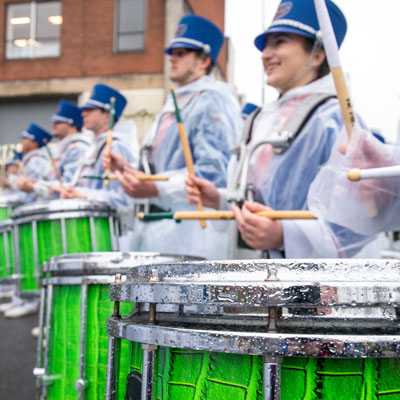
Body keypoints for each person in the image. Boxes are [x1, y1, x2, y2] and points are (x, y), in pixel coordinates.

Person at [186, 0, 373, 259]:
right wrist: (218, 198)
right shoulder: (260, 118)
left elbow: (359, 222)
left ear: (318, 53)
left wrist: (284, 235)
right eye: (265, 45)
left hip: (308, 290)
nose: (265, 54)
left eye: (280, 42)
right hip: (255, 280)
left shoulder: (336, 119)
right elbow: (260, 197)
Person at [103, 14, 242, 258]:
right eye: (172, 52)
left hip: (193, 234)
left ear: (204, 61)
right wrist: (127, 169)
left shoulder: (213, 101)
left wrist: (153, 187)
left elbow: (214, 175)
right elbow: (159, 170)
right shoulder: (176, 101)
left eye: (182, 52)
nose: (172, 58)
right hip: (160, 229)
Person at [62, 84, 137, 210]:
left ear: (107, 115)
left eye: (90, 109)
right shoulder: (96, 146)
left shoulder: (116, 146)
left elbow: (122, 199)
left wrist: (80, 195)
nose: (83, 114)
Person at [17, 100, 91, 199]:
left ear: (72, 126)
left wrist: (34, 187)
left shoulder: (77, 149)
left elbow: (70, 186)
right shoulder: (65, 148)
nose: (53, 124)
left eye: (59, 121)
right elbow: (53, 180)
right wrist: (37, 183)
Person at [11, 123, 52, 203]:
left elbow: (31, 195)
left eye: (25, 138)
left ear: (35, 143)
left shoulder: (36, 162)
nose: (22, 141)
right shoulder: (31, 160)